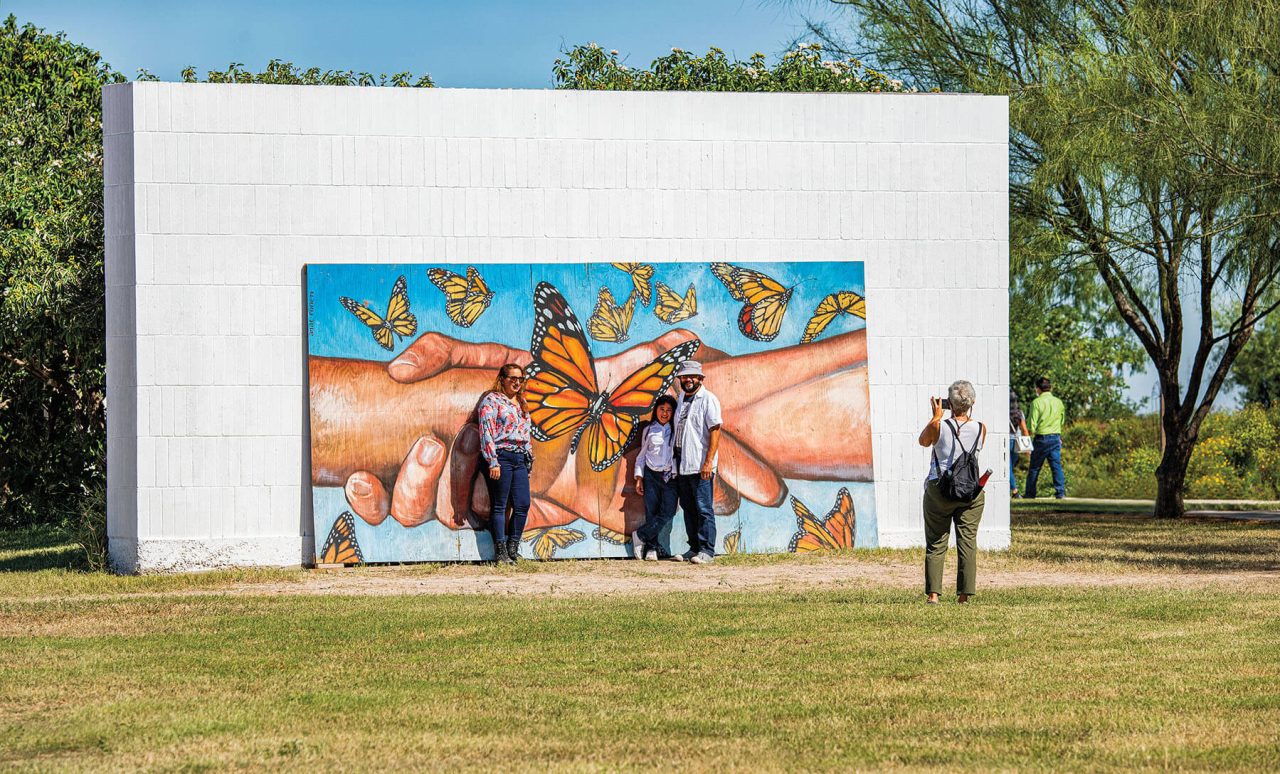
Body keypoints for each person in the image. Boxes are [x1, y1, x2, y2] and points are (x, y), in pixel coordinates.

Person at [917, 380, 986, 604]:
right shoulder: (981, 428)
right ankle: (964, 596)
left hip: (939, 489)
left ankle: (933, 595)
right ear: (972, 402)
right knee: (967, 542)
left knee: (936, 541)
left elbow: (923, 441)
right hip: (970, 492)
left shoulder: (940, 426)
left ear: (949, 403)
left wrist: (936, 417)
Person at [476, 363, 533, 564]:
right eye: (512, 378)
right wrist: (492, 461)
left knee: (523, 503)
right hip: (501, 455)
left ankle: (513, 548)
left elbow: (527, 434)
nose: (517, 382)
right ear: (502, 379)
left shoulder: (521, 402)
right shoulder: (491, 401)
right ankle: (500, 552)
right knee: (499, 505)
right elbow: (486, 431)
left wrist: (529, 461)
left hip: (519, 457)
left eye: (520, 379)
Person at [669, 360, 722, 564]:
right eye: (684, 376)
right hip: (683, 465)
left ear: (700, 378)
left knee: (703, 508)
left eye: (692, 376)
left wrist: (708, 462)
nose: (688, 379)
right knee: (689, 508)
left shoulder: (708, 399)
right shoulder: (681, 398)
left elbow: (715, 430)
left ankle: (707, 551)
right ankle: (694, 548)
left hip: (701, 466)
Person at [631, 395, 679, 561]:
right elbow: (642, 455)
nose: (664, 413)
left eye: (668, 410)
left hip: (670, 476)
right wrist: (639, 477)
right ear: (656, 410)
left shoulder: (676, 430)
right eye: (661, 409)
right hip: (651, 475)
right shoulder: (649, 429)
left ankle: (640, 535)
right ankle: (651, 549)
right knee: (651, 512)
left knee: (668, 511)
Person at [1024, 376, 1066, 499]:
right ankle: (1060, 493)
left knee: (1035, 468)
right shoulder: (1059, 402)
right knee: (1056, 466)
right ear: (1050, 388)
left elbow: (1031, 424)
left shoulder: (1036, 402)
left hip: (1041, 438)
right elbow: (1062, 421)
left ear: (1038, 389)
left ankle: (1030, 494)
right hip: (1055, 437)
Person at [1009, 389, 1030, 498]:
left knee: (1007, 468)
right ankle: (1013, 491)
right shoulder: (1019, 413)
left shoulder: (1003, 412)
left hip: (1006, 442)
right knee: (1009, 468)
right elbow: (1024, 430)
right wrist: (1028, 447)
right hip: (1016, 442)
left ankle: (1015, 491)